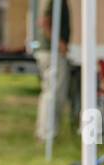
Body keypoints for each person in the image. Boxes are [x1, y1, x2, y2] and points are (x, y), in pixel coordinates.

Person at [35, 0, 71, 143]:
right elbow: (44, 22)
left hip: (50, 52)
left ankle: (46, 131)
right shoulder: (56, 2)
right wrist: (59, 43)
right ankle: (45, 133)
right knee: (52, 95)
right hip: (52, 53)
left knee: (51, 93)